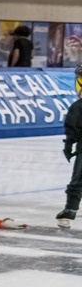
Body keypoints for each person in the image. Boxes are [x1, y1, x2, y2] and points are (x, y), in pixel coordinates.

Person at [56, 64, 82, 229]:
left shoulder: (78, 106)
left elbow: (72, 127)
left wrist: (69, 145)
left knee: (78, 180)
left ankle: (70, 210)